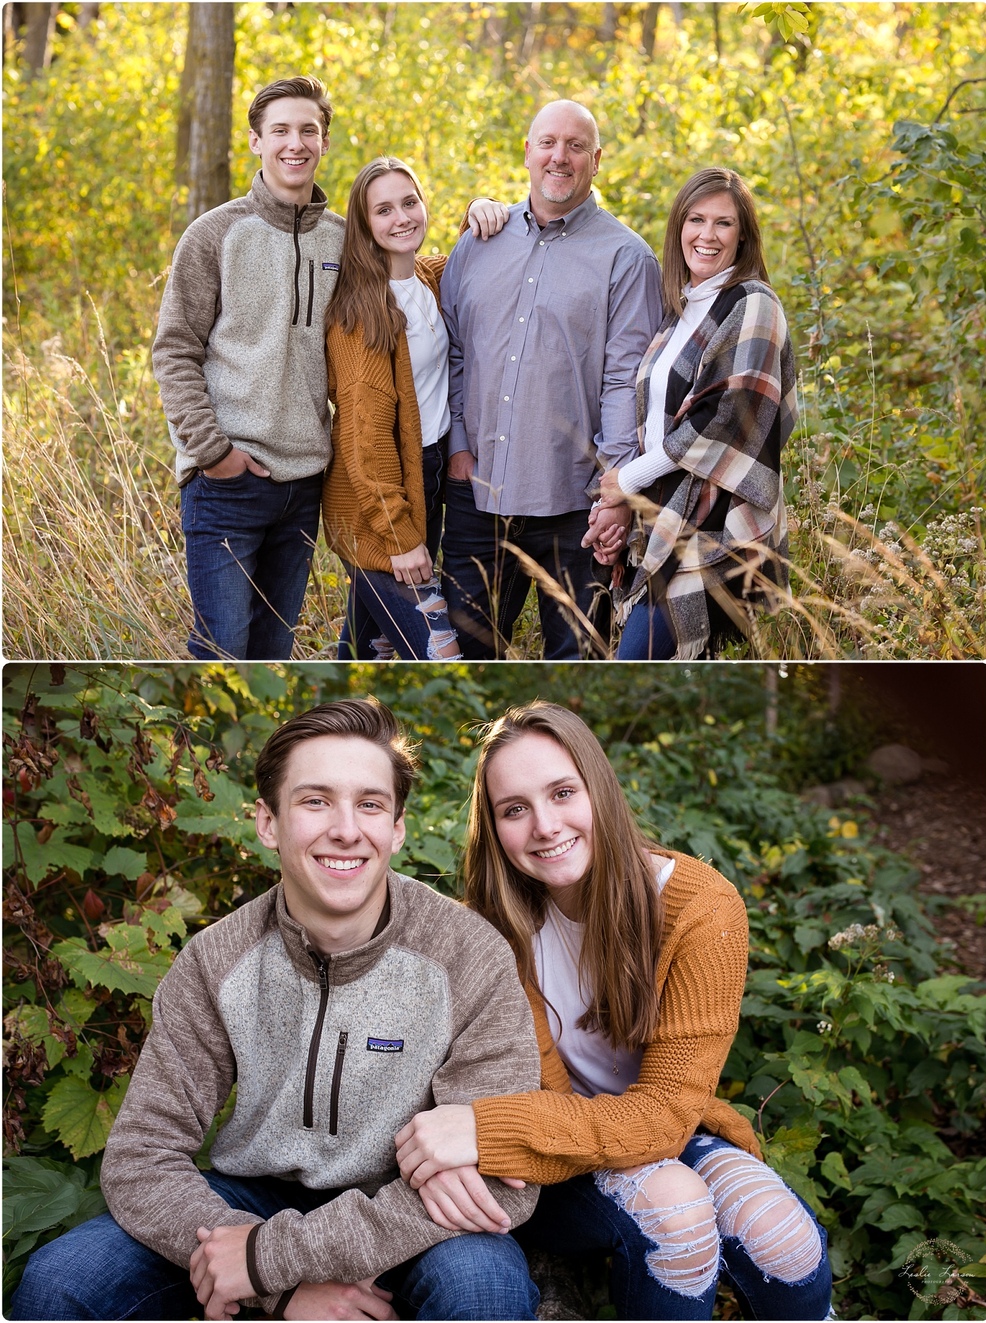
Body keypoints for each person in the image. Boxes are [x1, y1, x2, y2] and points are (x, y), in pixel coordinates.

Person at [11, 700, 541, 1323]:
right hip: (252, 1198)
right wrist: (281, 1288)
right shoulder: (217, 961)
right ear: (268, 822)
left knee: (482, 1292)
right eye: (315, 801)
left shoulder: (467, 954)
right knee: (59, 1284)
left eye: (370, 805)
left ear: (397, 829)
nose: (346, 829)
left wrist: (268, 1259)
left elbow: (506, 1180)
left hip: (407, 1211)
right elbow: (141, 1155)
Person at [394, 702, 833, 1321]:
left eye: (563, 793)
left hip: (662, 1127)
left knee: (780, 1236)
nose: (545, 826)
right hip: (550, 1169)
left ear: (598, 789)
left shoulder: (698, 909)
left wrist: (484, 1131)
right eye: (514, 810)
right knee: (676, 1213)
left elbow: (664, 1116)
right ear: (493, 828)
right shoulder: (490, 930)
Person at [439, 99, 663, 660]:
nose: (559, 157)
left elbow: (624, 382)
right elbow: (454, 351)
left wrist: (615, 491)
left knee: (577, 663)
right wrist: (460, 449)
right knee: (464, 660)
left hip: (574, 503)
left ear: (597, 160)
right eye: (548, 143)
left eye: (576, 146)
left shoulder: (627, 258)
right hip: (475, 495)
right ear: (527, 151)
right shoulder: (476, 243)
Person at [153, 76, 344, 662]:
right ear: (257, 142)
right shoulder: (215, 234)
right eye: (280, 130)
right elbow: (174, 350)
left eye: (308, 130)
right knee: (223, 650)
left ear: (324, 143)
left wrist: (477, 213)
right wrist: (215, 454)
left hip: (305, 483)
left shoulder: (343, 239)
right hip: (227, 483)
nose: (296, 143)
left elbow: (413, 270)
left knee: (273, 655)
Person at [597, 167, 796, 660]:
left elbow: (723, 419)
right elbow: (656, 420)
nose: (707, 235)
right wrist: (624, 505)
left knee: (634, 661)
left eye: (723, 223)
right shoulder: (678, 312)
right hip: (661, 522)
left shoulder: (753, 303)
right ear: (678, 228)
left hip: (716, 527)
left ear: (743, 233)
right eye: (696, 219)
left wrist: (626, 479)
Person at [322, 158, 507, 661]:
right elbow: (366, 441)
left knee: (370, 648)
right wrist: (401, 537)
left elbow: (471, 258)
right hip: (379, 499)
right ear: (364, 225)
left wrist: (478, 209)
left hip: (427, 476)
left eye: (410, 202)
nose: (402, 218)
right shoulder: (362, 315)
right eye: (383, 210)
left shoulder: (427, 278)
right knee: (437, 652)